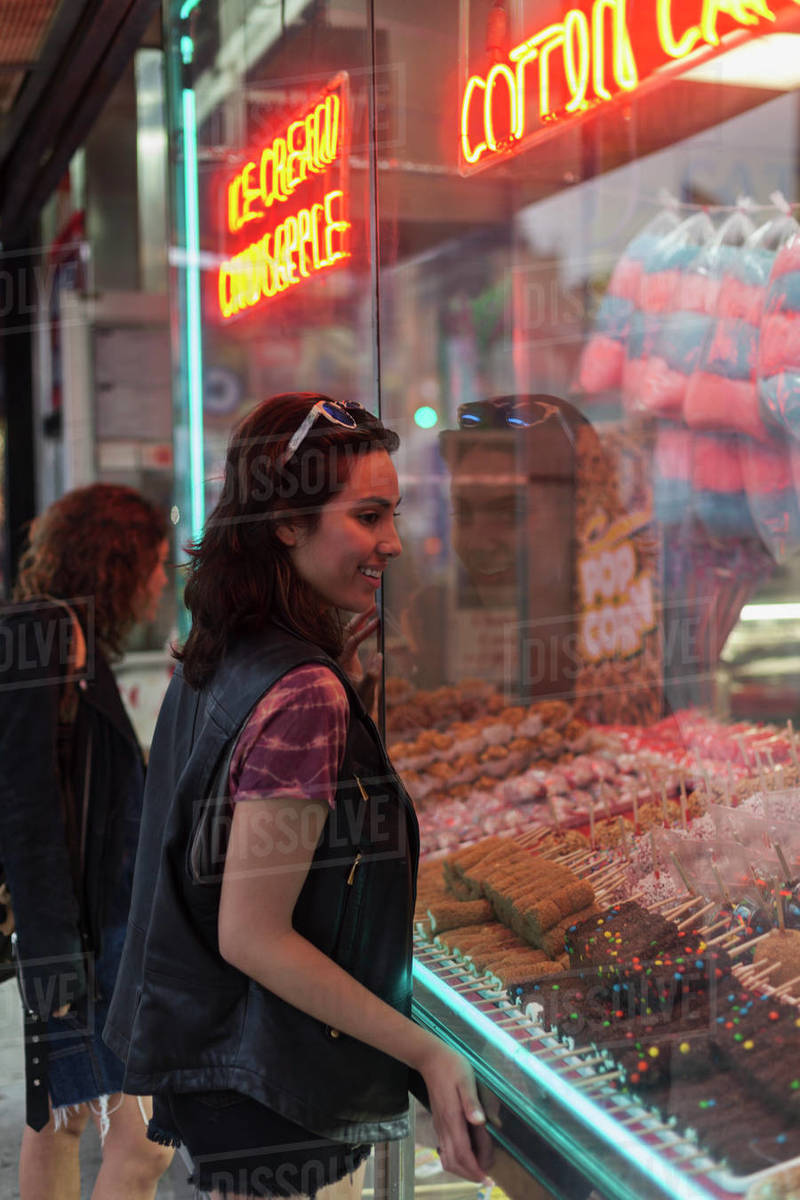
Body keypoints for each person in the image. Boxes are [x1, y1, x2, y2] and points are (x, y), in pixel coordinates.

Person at [104, 392, 493, 1200]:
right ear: (285, 522)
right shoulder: (301, 691)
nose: (392, 541)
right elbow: (254, 935)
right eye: (368, 516)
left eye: (393, 514)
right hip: (268, 1096)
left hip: (218, 1082)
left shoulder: (221, 647)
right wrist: (427, 1051)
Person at [0, 484, 174, 1200]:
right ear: (118, 562)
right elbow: (27, 807)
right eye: (157, 563)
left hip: (87, 938)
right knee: (144, 1148)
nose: (164, 581)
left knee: (60, 1123)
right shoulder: (49, 637)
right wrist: (55, 962)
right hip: (83, 944)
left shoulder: (67, 637)